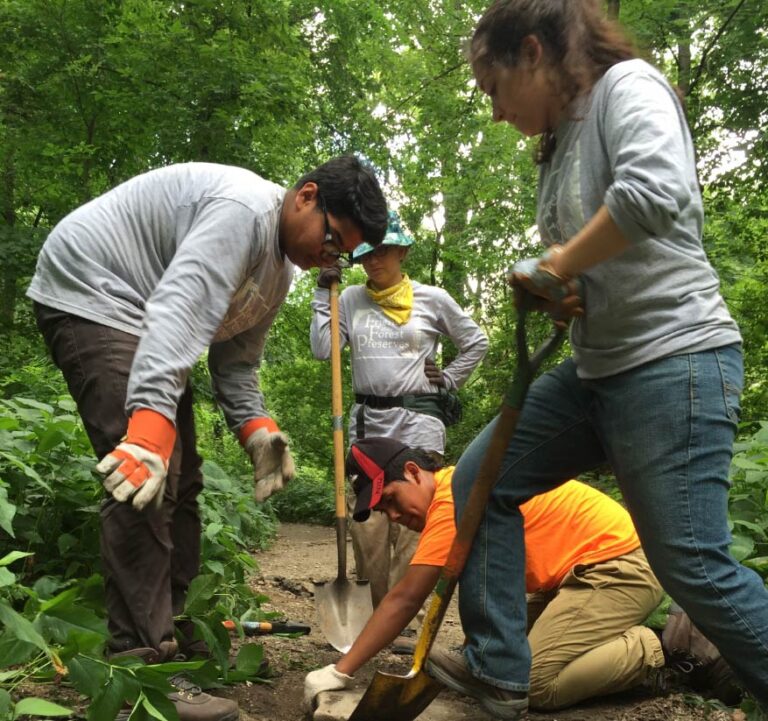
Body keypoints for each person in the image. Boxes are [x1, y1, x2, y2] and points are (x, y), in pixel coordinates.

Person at [424, 1, 768, 718]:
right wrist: (567, 289)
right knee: (482, 482)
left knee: (694, 567)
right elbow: (594, 257)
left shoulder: (628, 89)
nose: (492, 112)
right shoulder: (556, 144)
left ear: (533, 53)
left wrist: (557, 266)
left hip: (674, 358)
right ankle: (500, 670)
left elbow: (655, 195)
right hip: (595, 369)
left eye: (492, 89)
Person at [26, 157, 388, 721]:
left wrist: (259, 432)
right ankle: (140, 675)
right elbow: (177, 311)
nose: (330, 257)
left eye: (342, 253)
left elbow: (237, 367)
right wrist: (146, 429)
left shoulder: (278, 273)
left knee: (183, 481)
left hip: (142, 316)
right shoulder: (242, 213)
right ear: (306, 196)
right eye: (332, 237)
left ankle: (170, 637)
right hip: (95, 289)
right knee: (146, 478)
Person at [304, 437, 668, 713]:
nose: (394, 516)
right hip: (576, 579)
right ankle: (581, 640)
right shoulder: (457, 490)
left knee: (531, 685)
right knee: (503, 663)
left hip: (618, 567)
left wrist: (340, 671)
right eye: (384, 510)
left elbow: (405, 598)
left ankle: (650, 649)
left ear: (415, 472)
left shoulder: (454, 498)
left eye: (393, 500)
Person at [309, 212, 487, 611]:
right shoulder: (350, 298)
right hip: (369, 427)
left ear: (402, 250)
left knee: (412, 526)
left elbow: (476, 342)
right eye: (367, 253)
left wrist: (448, 380)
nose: (374, 260)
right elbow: (324, 349)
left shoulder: (433, 299)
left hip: (419, 424)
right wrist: (324, 295)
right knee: (369, 525)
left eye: (384, 250)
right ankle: (376, 615)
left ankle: (407, 616)